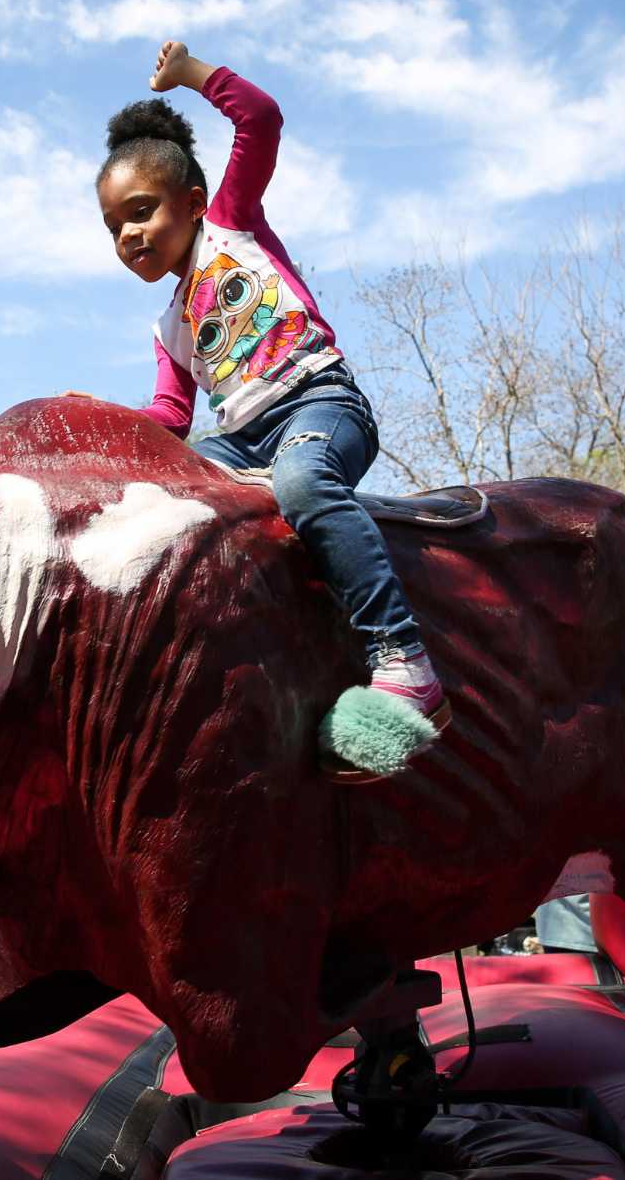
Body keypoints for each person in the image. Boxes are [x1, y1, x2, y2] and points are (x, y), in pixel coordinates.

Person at [81, 40, 443, 774]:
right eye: (115, 225)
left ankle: (403, 655)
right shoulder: (168, 326)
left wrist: (192, 77)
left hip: (318, 402)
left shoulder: (231, 224)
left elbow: (263, 121)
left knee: (305, 484)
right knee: (167, 498)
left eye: (141, 212)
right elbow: (171, 419)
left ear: (189, 202)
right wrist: (109, 424)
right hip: (240, 437)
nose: (128, 235)